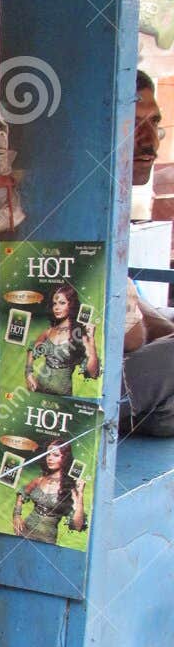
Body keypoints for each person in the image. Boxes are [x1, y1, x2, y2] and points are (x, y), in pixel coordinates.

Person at [125, 72, 174, 434]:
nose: (149, 142)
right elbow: (129, 337)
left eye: (153, 122)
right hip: (81, 396)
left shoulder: (111, 212)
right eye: (134, 122)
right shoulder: (75, 210)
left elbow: (141, 313)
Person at [24, 280, 99, 397]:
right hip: (38, 390)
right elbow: (31, 349)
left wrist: (91, 340)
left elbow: (93, 373)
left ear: (71, 305)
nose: (57, 308)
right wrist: (28, 374)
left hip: (62, 397)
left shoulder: (79, 335)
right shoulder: (49, 331)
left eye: (62, 303)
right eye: (55, 303)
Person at [11, 441, 86, 545]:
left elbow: (78, 525)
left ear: (65, 458)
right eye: (48, 454)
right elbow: (22, 492)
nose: (50, 458)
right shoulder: (40, 480)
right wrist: (16, 515)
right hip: (24, 532)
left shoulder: (70, 488)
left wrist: (81, 494)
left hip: (46, 540)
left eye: (55, 455)